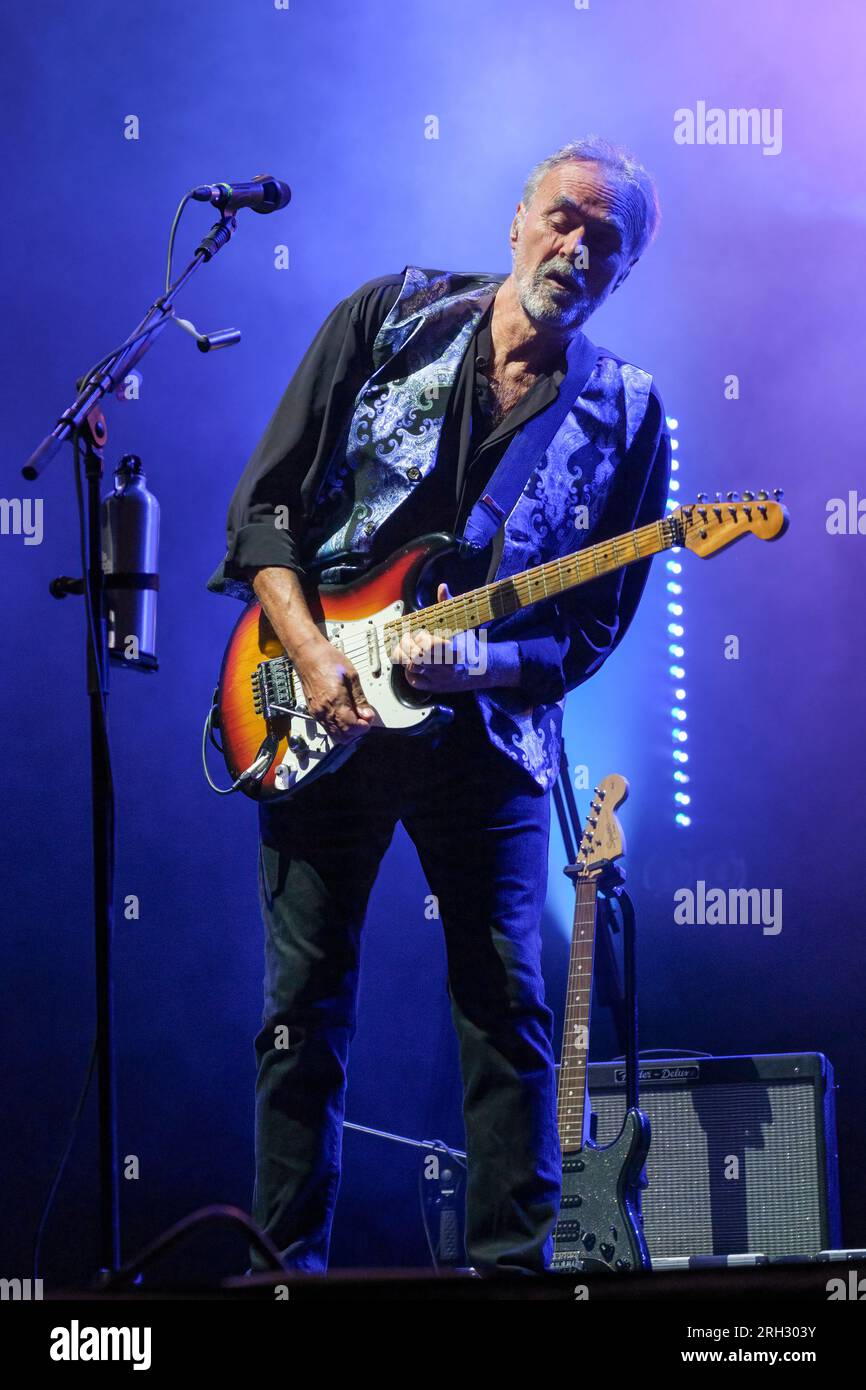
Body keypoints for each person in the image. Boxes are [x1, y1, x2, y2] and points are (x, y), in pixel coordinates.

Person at [208, 136, 671, 1275]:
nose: (575, 246)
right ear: (516, 218)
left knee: (509, 1011)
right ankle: (281, 1269)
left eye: (604, 241)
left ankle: (513, 1270)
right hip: (317, 709)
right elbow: (262, 508)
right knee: (299, 1010)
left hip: (489, 749)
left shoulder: (625, 412)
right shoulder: (388, 317)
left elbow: (592, 629)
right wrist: (313, 655)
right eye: (562, 217)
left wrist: (489, 669)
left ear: (622, 273)